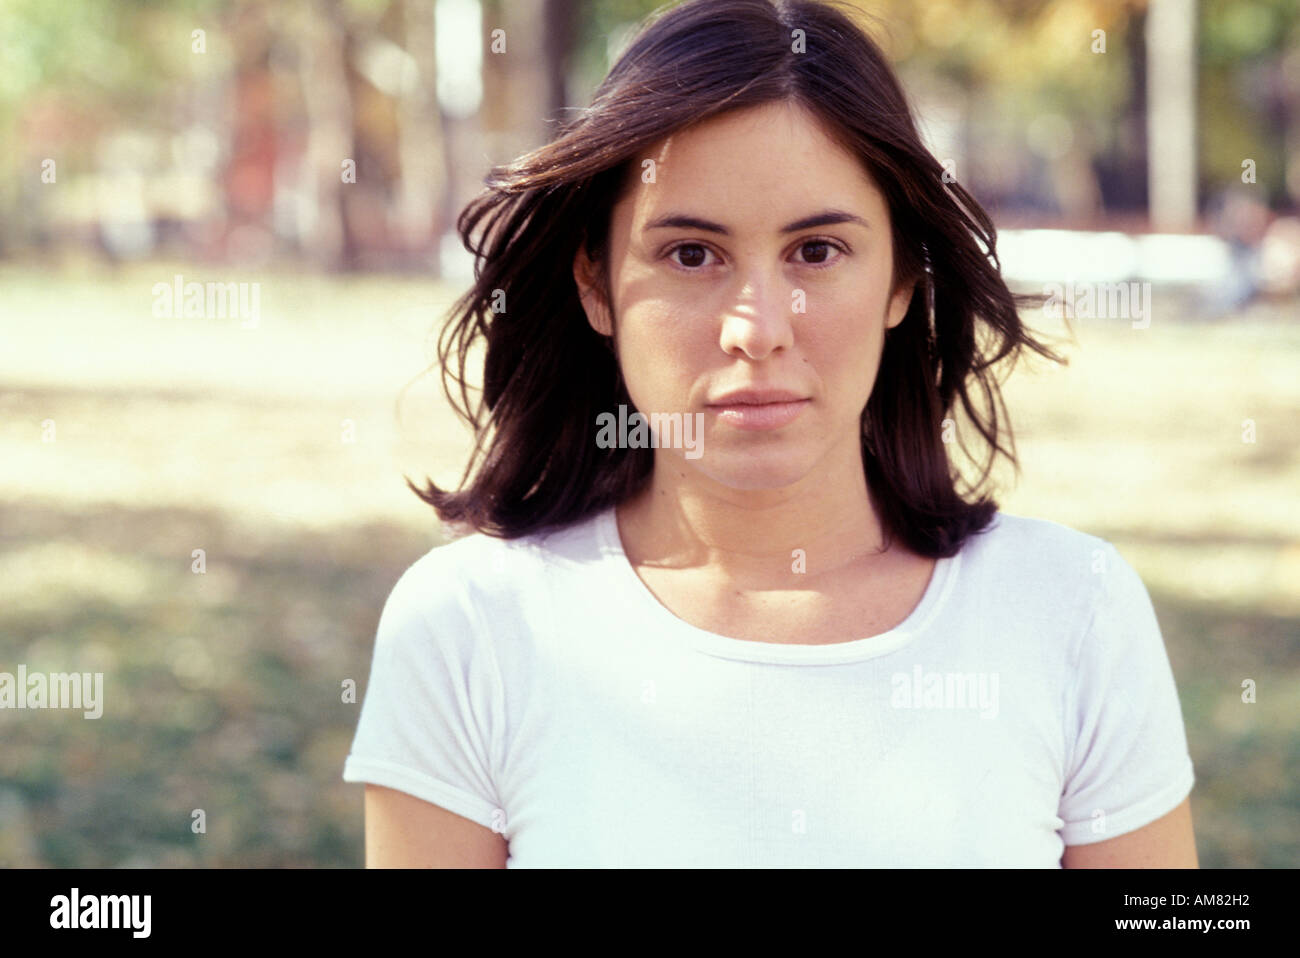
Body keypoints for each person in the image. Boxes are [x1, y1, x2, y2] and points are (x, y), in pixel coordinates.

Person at [342, 0, 1197, 867]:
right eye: (691, 254)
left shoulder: (1073, 609)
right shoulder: (468, 629)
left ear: (903, 277)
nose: (758, 327)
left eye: (816, 252)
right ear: (595, 285)